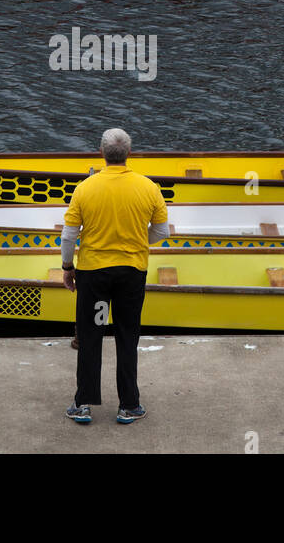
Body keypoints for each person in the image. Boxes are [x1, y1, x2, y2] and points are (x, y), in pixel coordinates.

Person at [61, 128, 169, 425]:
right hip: (131, 274)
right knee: (126, 335)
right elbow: (162, 232)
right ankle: (129, 405)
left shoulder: (85, 188)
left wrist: (68, 267)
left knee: (91, 335)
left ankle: (83, 403)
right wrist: (137, 241)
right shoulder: (148, 187)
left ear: (101, 153)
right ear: (129, 153)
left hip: (94, 275)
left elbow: (69, 236)